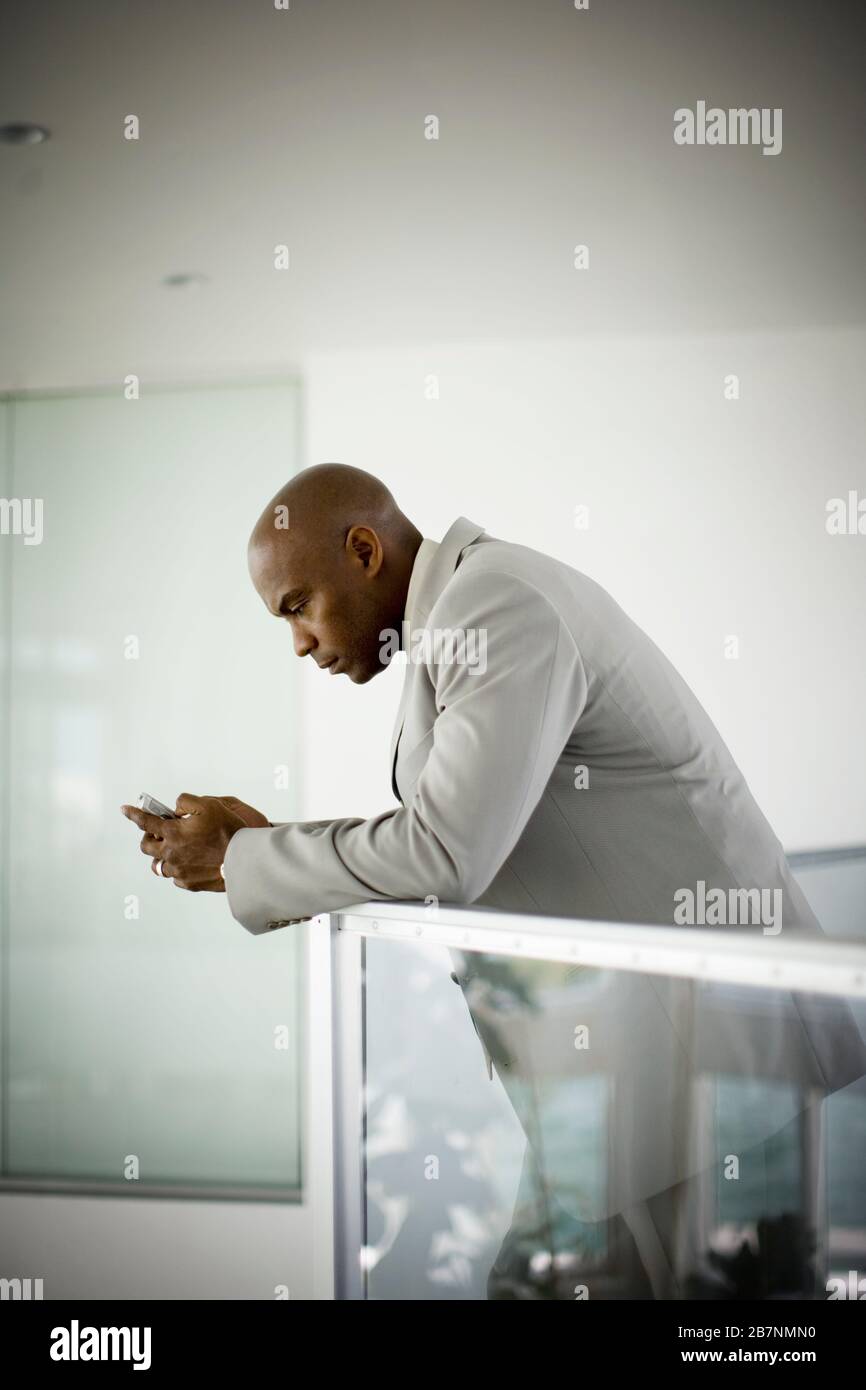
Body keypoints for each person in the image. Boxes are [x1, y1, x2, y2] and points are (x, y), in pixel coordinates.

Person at [121, 462, 866, 1299]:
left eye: (298, 606)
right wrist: (261, 850)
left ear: (363, 549)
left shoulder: (496, 605)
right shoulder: (464, 619)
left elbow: (446, 851)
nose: (298, 642)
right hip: (627, 1088)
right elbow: (452, 835)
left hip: (715, 1083)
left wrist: (249, 860)